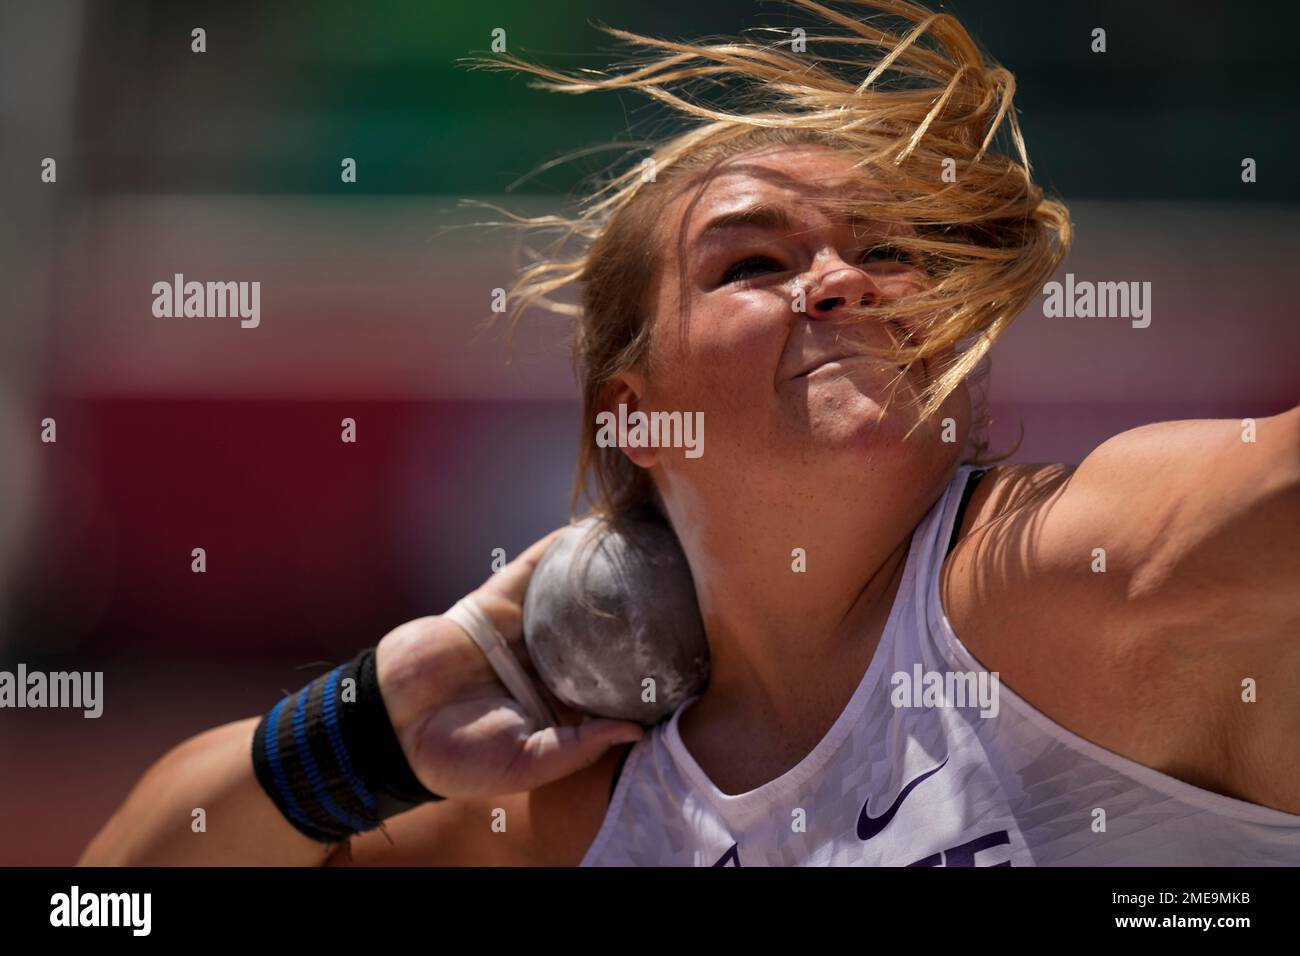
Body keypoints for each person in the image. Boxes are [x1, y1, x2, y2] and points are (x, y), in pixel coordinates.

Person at [80, 0, 1300, 867]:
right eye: (754, 261)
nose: (838, 283)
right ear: (631, 407)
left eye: (890, 255)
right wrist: (370, 727)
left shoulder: (1079, 571)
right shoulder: (577, 793)